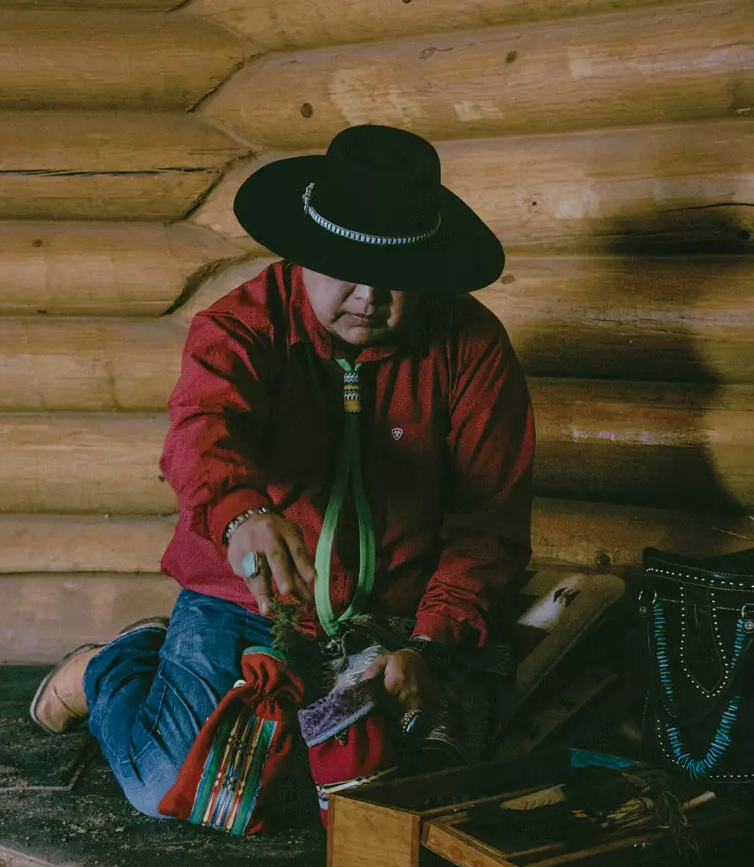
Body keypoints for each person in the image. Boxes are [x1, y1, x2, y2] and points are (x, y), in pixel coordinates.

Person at [30, 124, 535, 818]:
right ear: (304, 253)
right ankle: (110, 667)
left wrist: (432, 644)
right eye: (344, 269)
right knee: (168, 790)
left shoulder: (472, 348)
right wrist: (242, 512)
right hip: (242, 607)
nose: (368, 297)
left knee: (377, 793)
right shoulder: (240, 327)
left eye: (395, 278)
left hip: (393, 617)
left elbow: (489, 522)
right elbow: (201, 430)